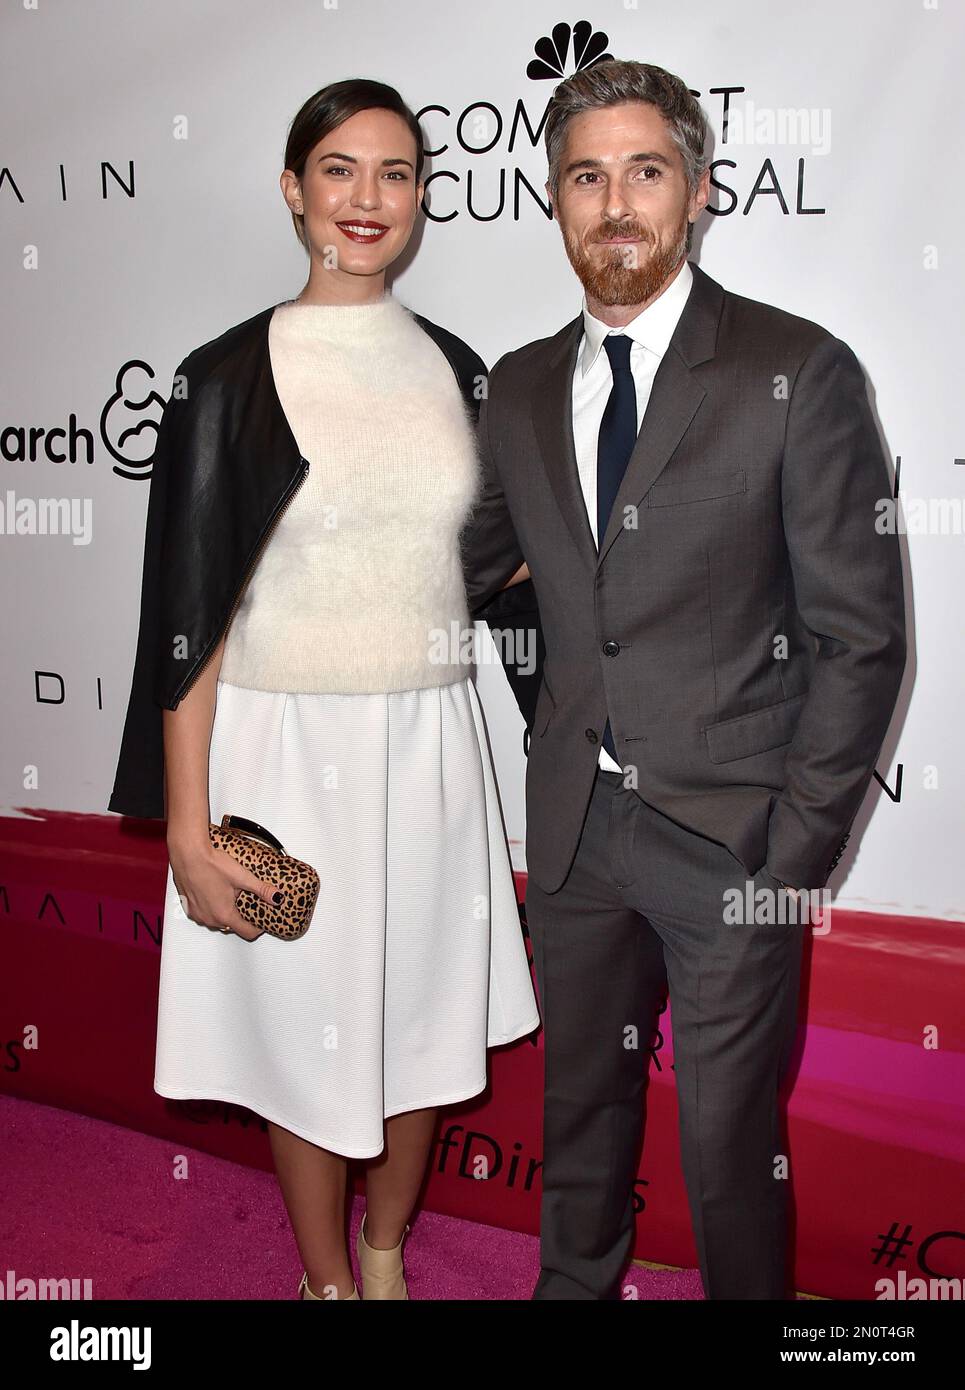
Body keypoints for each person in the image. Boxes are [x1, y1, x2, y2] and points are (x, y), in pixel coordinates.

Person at [458, 58, 906, 1299]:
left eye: (643, 173)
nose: (614, 205)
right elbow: (472, 572)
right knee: (581, 1120)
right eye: (584, 177)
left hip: (733, 844)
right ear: (552, 200)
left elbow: (859, 638)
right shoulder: (522, 386)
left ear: (698, 190)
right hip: (576, 836)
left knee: (725, 1151)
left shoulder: (796, 370)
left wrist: (791, 857)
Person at [108, 78, 539, 1302]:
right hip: (283, 752)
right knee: (308, 1036)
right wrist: (188, 829)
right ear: (294, 189)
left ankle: (387, 1255)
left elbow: (486, 565)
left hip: (429, 748)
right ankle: (323, 1282)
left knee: (417, 1030)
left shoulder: (458, 369)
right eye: (339, 170)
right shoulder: (222, 379)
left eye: (396, 174)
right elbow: (182, 628)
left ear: (420, 201)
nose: (367, 198)